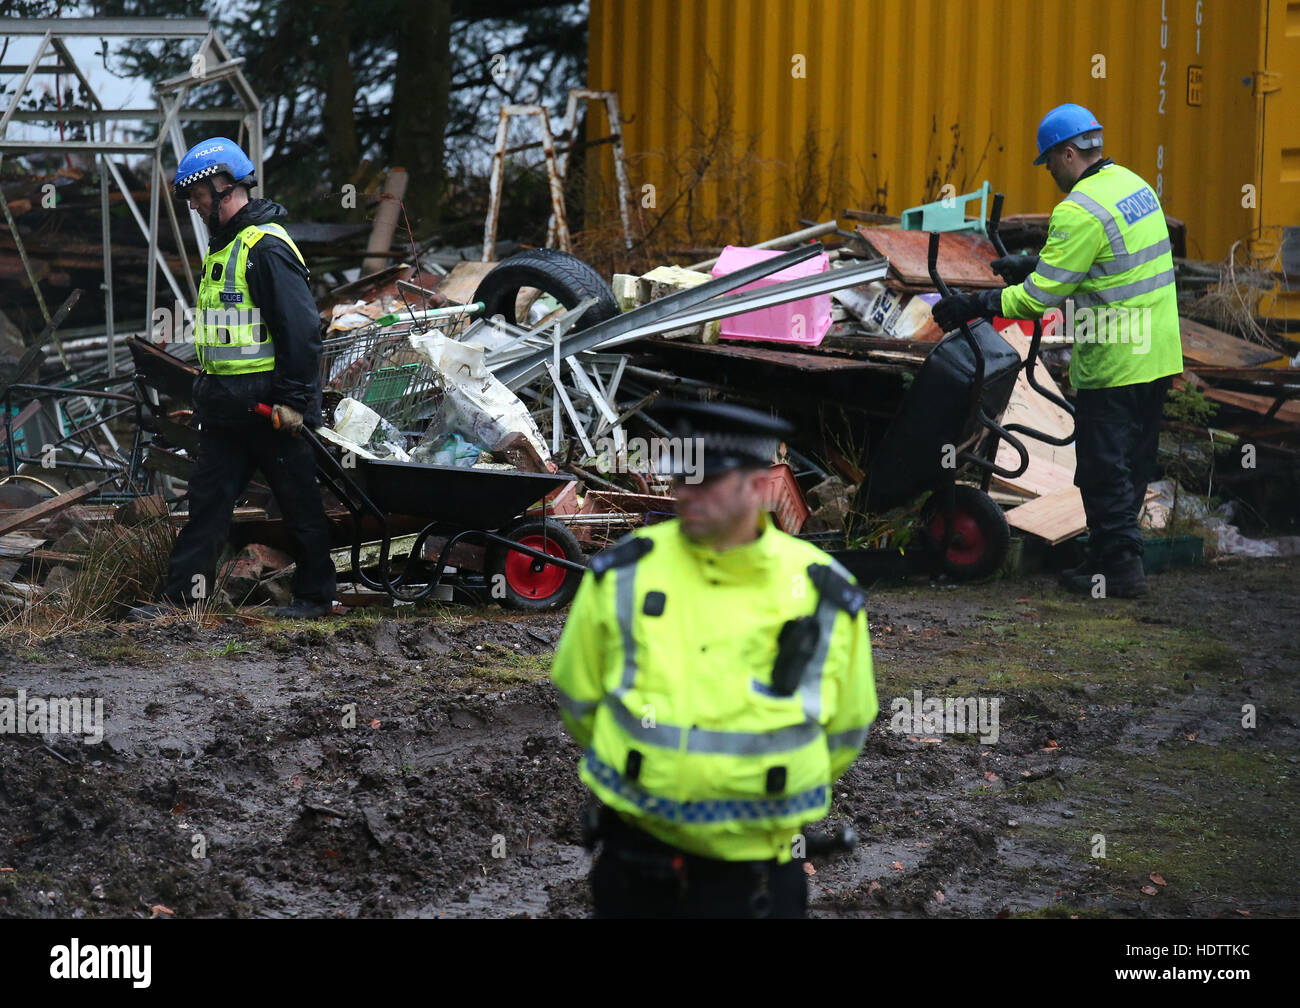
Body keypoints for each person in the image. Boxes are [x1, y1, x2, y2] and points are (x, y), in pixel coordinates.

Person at [550, 400, 878, 918]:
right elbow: (577, 692)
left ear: (756, 485)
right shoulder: (624, 574)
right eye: (681, 476)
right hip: (636, 857)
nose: (685, 492)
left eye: (707, 481)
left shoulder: (823, 593)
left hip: (758, 873)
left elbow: (848, 724)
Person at [932, 104, 1183, 599]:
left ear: (1070, 153)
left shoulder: (1078, 208)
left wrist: (972, 305)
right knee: (1131, 463)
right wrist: (1031, 262)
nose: (1049, 172)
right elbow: (1107, 264)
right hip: (1157, 355)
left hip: (1116, 360)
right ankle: (1110, 558)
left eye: (1049, 161)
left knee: (1100, 469)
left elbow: (1037, 299)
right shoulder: (1135, 187)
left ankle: (1122, 571)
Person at [131, 138, 336, 620]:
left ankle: (315, 599)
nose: (195, 205)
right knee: (207, 504)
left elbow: (301, 331)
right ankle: (182, 602)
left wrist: (292, 401)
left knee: (299, 503)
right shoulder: (226, 247)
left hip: (270, 408)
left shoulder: (265, 247)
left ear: (223, 185)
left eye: (198, 195)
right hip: (228, 406)